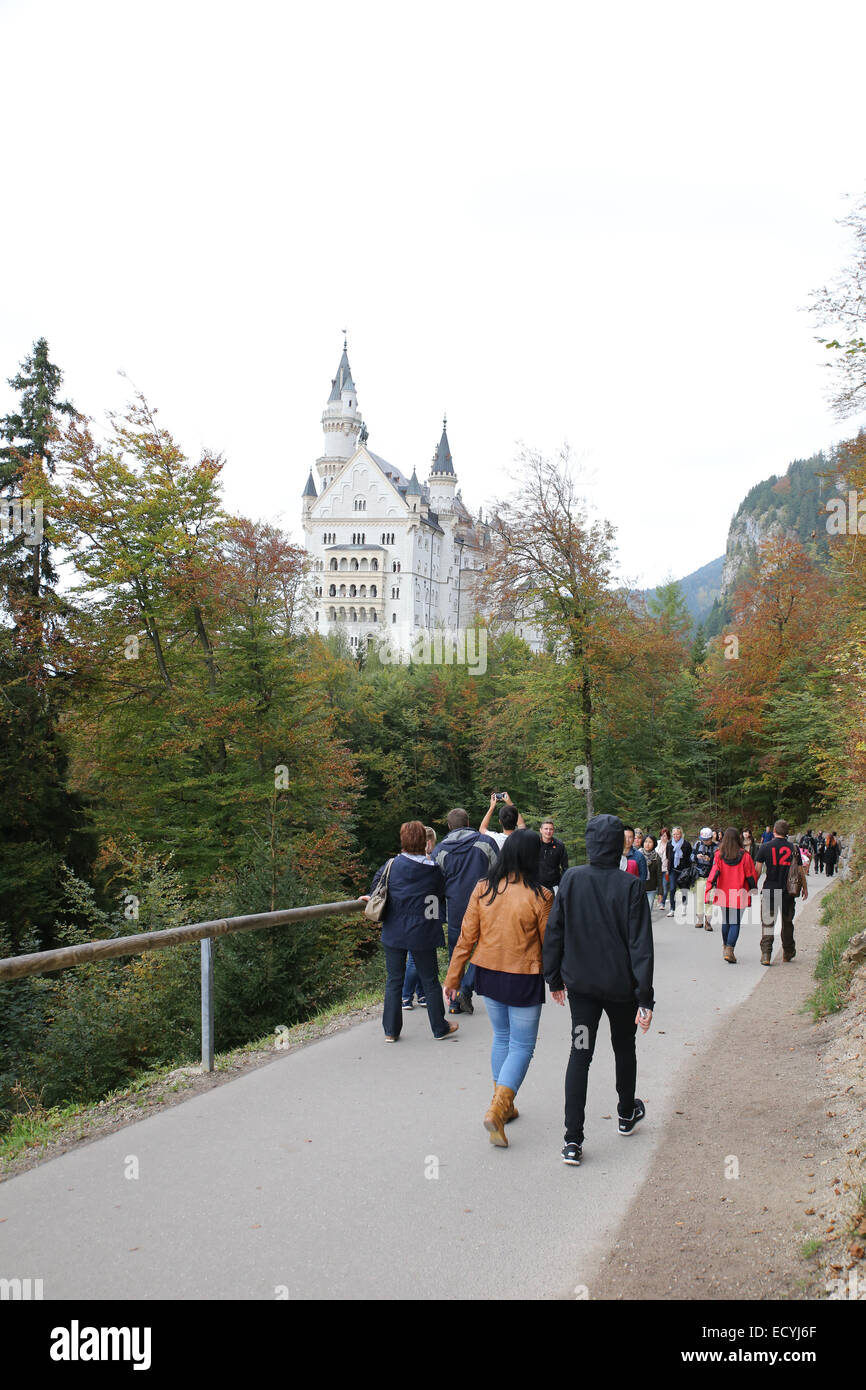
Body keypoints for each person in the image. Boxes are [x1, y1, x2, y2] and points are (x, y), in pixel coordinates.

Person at [543, 813, 654, 1166]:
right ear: (619, 844)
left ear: (590, 843)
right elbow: (641, 946)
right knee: (624, 1047)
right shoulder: (630, 885)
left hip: (582, 988)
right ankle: (625, 1113)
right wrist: (645, 997)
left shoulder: (572, 879)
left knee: (580, 1053)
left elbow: (554, 931)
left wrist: (554, 978)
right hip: (620, 989)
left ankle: (572, 1140)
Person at [444, 829, 553, 1147]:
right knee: (521, 1047)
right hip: (522, 976)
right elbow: (550, 945)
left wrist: (452, 979)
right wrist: (561, 979)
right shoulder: (541, 895)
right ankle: (498, 1107)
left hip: (487, 974)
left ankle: (505, 1104)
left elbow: (466, 937)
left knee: (502, 1038)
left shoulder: (483, 888)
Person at [368, 821, 458, 1041]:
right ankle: (439, 1027)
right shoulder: (433, 870)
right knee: (430, 979)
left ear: (403, 840)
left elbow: (376, 890)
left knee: (393, 980)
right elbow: (437, 899)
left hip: (394, 930)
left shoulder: (391, 865)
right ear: (424, 842)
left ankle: (391, 1031)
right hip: (423, 931)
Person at [432, 809, 500, 1015]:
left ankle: (454, 1002)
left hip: (456, 909)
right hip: (486, 907)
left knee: (456, 954)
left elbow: (435, 884)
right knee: (485, 952)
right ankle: (466, 989)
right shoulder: (486, 843)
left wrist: (439, 913)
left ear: (449, 826)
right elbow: (500, 872)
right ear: (468, 822)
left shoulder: (439, 851)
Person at [754, 818, 808, 965]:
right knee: (787, 922)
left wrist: (752, 886)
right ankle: (788, 952)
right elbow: (799, 870)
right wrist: (805, 888)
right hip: (787, 892)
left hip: (770, 890)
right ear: (787, 833)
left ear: (774, 831)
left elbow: (758, 870)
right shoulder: (794, 848)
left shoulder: (765, 847)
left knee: (768, 922)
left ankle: (766, 954)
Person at [705, 827, 757, 963]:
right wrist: (754, 889)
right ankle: (730, 949)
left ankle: (725, 946)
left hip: (724, 892)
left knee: (726, 920)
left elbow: (714, 873)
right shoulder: (745, 856)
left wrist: (709, 888)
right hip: (740, 892)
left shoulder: (719, 855)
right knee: (735, 922)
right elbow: (751, 875)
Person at [402, 826, 437, 1008]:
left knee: (416, 958)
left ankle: (421, 993)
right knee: (415, 959)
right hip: (419, 918)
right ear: (428, 843)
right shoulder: (426, 865)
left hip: (421, 916)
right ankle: (406, 995)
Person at [692, 827, 717, 930]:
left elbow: (718, 861)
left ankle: (708, 921)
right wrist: (696, 857)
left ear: (711, 838)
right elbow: (691, 856)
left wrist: (710, 859)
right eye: (703, 839)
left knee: (709, 899)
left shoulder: (716, 847)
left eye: (707, 839)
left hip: (711, 876)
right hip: (699, 875)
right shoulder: (697, 844)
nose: (705, 841)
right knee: (699, 899)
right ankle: (699, 919)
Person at [665, 826, 692, 917]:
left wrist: (688, 870)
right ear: (672, 835)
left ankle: (684, 907)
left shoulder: (686, 844)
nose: (676, 835)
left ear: (681, 834)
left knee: (684, 889)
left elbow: (689, 857)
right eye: (674, 834)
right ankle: (672, 909)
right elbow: (667, 856)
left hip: (683, 871)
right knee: (672, 889)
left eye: (678, 834)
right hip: (673, 869)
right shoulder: (669, 844)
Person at [537, 818, 569, 892]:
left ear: (553, 831)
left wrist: (562, 884)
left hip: (554, 886)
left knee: (554, 904)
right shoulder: (534, 844)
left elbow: (565, 867)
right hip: (537, 885)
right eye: (546, 829)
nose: (548, 831)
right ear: (541, 830)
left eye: (551, 829)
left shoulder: (559, 845)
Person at [641, 833, 663, 911]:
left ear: (654, 844)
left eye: (650, 842)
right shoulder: (638, 855)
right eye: (646, 841)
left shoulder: (657, 858)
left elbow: (659, 876)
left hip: (651, 889)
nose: (647, 844)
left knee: (648, 911)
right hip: (639, 888)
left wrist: (660, 892)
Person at [657, 827, 671, 904]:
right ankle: (659, 900)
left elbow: (670, 859)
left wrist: (668, 870)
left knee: (665, 887)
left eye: (665, 835)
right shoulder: (657, 843)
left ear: (668, 836)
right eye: (662, 835)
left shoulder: (670, 845)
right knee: (657, 888)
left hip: (666, 870)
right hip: (657, 869)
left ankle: (662, 903)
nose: (663, 837)